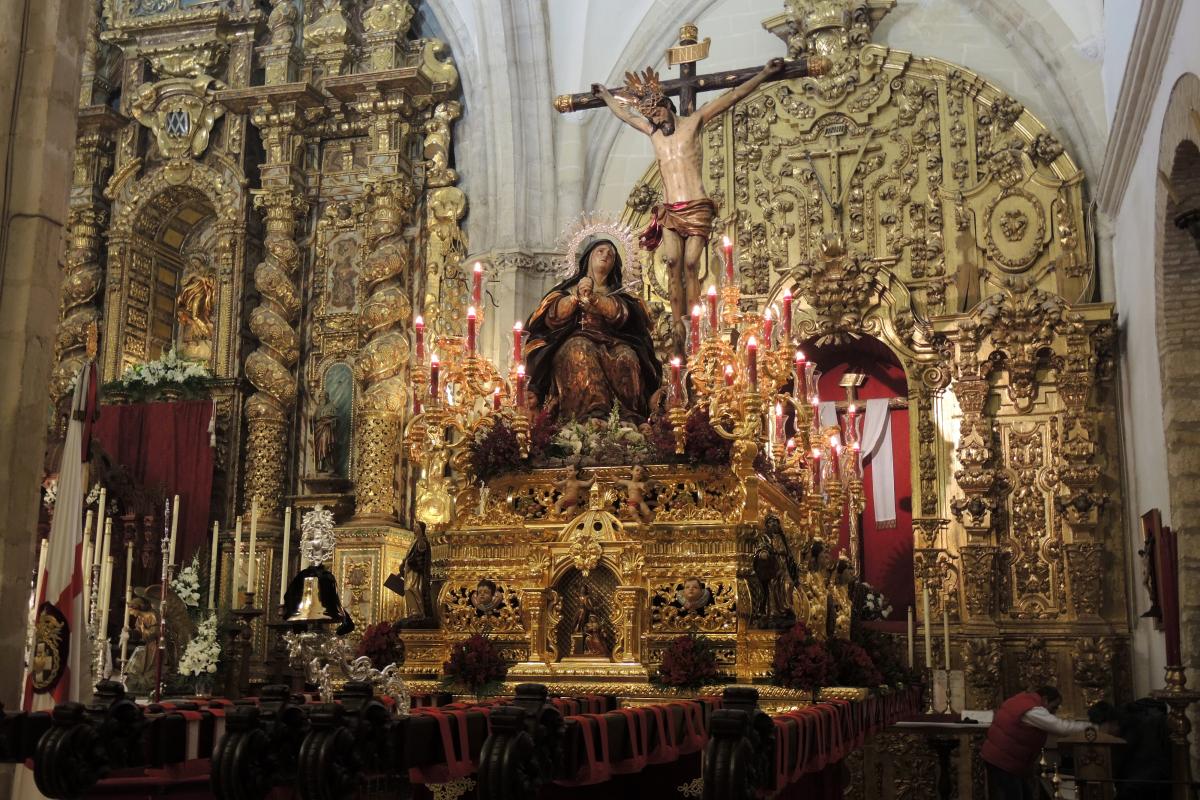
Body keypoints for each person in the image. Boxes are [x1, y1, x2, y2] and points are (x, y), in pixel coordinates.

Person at [591, 60, 786, 354]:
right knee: (672, 263)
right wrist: (606, 96)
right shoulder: (653, 133)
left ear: (666, 105)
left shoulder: (693, 122)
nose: (654, 119)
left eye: (656, 112)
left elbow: (731, 97)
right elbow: (626, 116)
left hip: (697, 206)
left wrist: (764, 74)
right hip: (670, 209)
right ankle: (677, 324)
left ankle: (695, 321)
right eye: (650, 116)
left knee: (692, 263)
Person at [524, 239, 661, 421]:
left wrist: (596, 299)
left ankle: (627, 418)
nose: (606, 255)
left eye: (611, 254)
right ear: (588, 257)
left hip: (614, 341)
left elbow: (624, 315)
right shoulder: (567, 290)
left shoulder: (621, 295)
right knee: (580, 349)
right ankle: (587, 417)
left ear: (615, 264)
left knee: (627, 357)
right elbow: (552, 317)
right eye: (600, 251)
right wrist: (575, 298)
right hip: (576, 339)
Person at [981, 686, 1091, 800]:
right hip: (1004, 761)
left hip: (1002, 759)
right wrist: (1093, 727)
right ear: (1045, 699)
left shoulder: (1022, 700)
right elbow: (1061, 728)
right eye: (1054, 707)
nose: (1053, 712)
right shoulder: (1033, 710)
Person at [1088, 698, 1171, 799]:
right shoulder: (1125, 725)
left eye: (1099, 726)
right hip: (1137, 780)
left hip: (1149, 781)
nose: (1100, 733)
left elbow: (1146, 765)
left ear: (1110, 722)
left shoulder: (1137, 729)